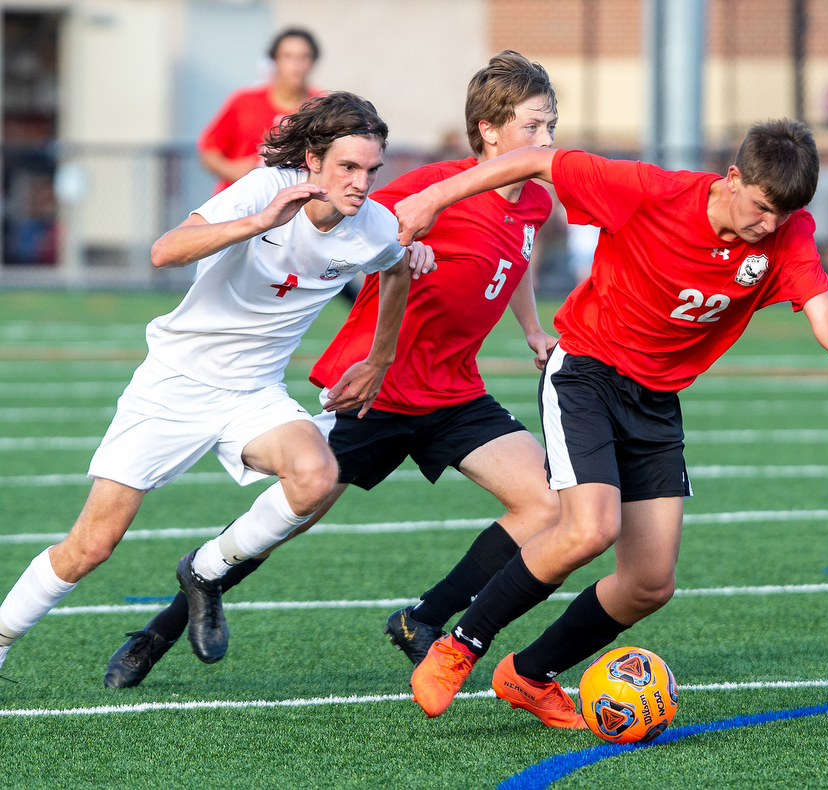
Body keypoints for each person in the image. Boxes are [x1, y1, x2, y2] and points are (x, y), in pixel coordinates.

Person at [394, 118, 828, 729]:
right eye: (761, 208)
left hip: (656, 401)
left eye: (784, 214)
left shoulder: (787, 232)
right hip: (587, 374)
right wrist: (430, 197)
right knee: (588, 528)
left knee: (649, 584)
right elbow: (539, 160)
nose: (770, 225)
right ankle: (460, 644)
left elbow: (822, 308)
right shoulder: (650, 191)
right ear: (733, 179)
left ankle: (528, 675)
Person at [102, 51, 564, 690]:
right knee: (288, 517)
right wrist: (409, 245)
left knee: (546, 503)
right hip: (375, 385)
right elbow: (365, 223)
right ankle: (160, 629)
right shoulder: (434, 188)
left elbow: (516, 260)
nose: (546, 141)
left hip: (454, 389)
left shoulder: (534, 203)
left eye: (551, 127)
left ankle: (423, 619)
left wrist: (533, 326)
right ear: (488, 130)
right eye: (533, 126)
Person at [0, 91, 435, 678]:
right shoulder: (263, 189)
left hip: (253, 394)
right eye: (348, 168)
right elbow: (164, 252)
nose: (361, 184)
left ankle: (204, 569)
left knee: (317, 476)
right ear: (312, 162)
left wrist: (379, 360)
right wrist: (258, 223)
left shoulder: (374, 225)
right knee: (91, 547)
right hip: (174, 384)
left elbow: (397, 267)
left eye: (371, 170)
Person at [199, 28, 323, 194]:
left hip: (297, 208)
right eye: (288, 56)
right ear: (275, 61)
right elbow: (209, 151)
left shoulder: (323, 109)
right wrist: (231, 171)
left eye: (303, 57)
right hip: (240, 204)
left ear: (313, 62)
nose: (296, 64)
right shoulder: (244, 102)